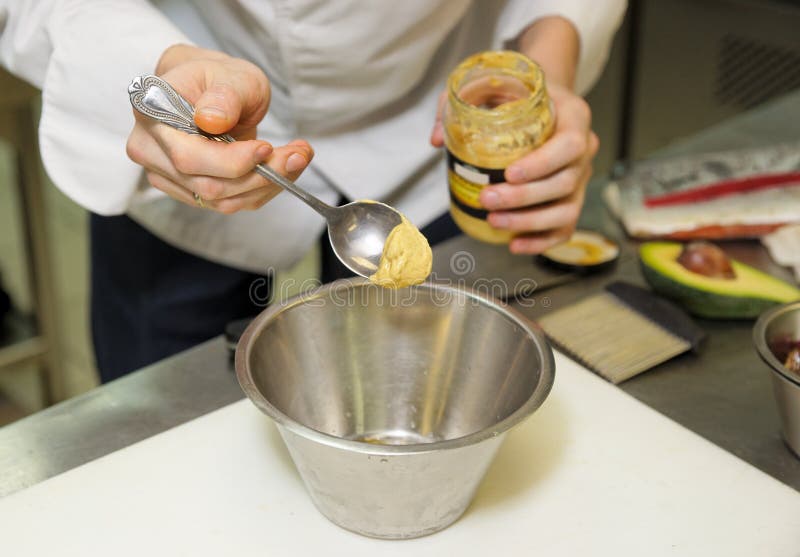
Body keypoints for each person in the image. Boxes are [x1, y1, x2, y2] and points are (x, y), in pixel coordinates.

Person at [0, 1, 626, 382]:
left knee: (428, 378)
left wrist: (550, 59)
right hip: (187, 109)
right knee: (158, 413)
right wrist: (145, 59)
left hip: (426, 124)